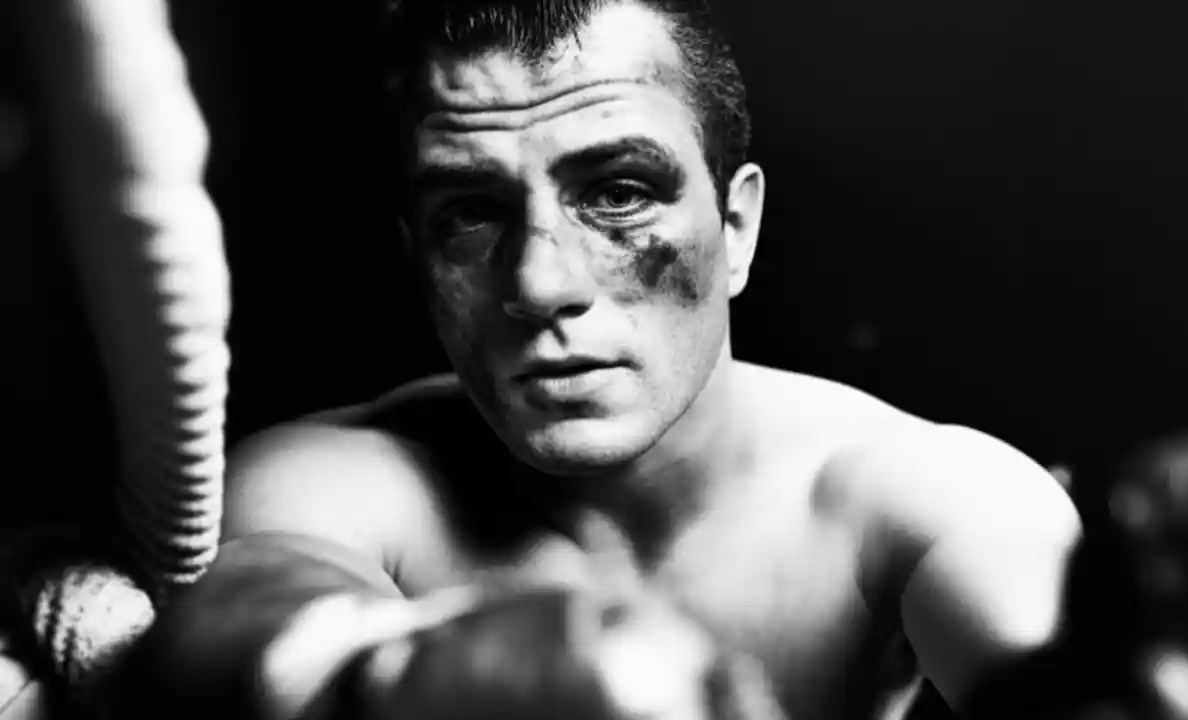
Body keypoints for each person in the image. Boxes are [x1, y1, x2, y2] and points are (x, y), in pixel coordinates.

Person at [122, 1, 1083, 719]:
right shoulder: (346, 486)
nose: (540, 283)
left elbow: (1047, 656)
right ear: (416, 258)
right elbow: (256, 619)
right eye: (470, 212)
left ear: (735, 227)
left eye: (618, 192)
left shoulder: (918, 498)